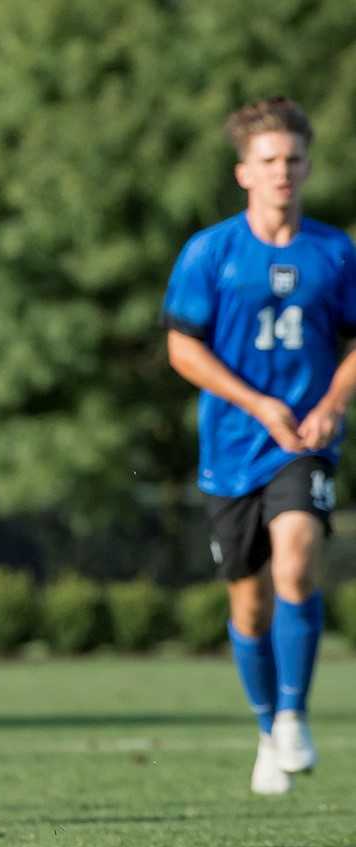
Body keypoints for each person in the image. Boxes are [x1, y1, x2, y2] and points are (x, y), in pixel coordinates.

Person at [162, 96, 356, 796]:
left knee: (296, 562)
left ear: (308, 167)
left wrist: (332, 403)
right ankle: (269, 727)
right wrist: (258, 403)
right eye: (269, 160)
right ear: (244, 171)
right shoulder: (210, 251)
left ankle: (296, 716)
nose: (283, 171)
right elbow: (182, 348)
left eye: (294, 159)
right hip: (232, 447)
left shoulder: (335, 251)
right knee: (248, 605)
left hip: (303, 444)